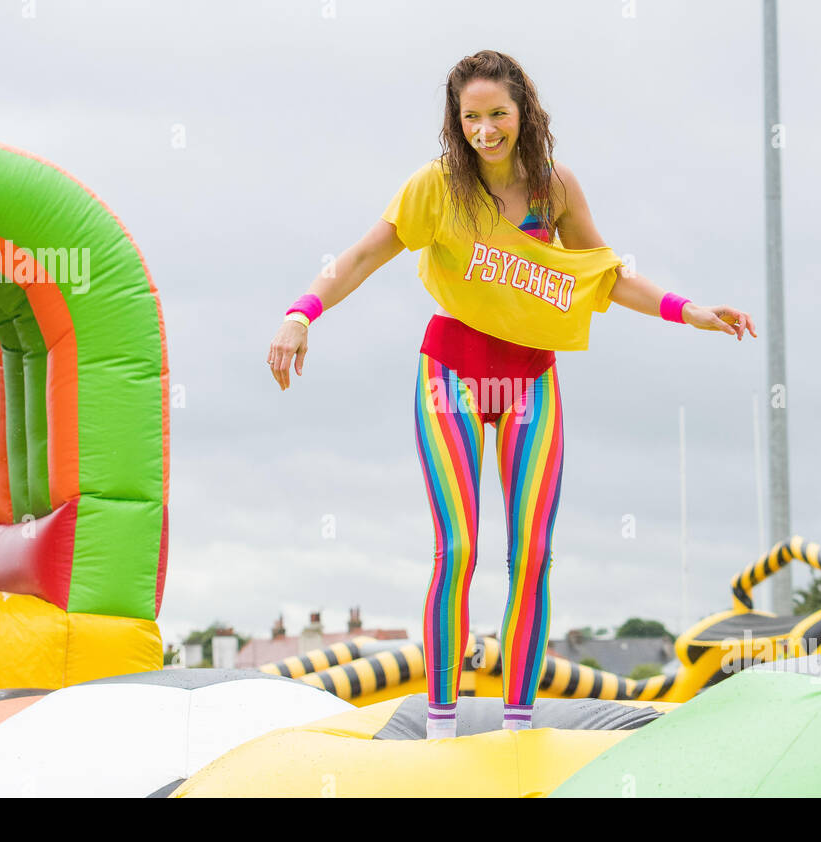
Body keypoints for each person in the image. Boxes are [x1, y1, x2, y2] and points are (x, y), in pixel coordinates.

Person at [268, 50, 755, 739]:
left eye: (498, 113)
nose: (486, 130)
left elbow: (607, 276)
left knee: (531, 552)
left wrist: (690, 309)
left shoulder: (555, 190)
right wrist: (300, 313)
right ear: (455, 121)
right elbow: (359, 258)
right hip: (452, 371)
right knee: (459, 546)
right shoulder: (434, 188)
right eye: (471, 117)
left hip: (531, 377)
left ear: (524, 111)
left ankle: (519, 728)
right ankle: (440, 729)